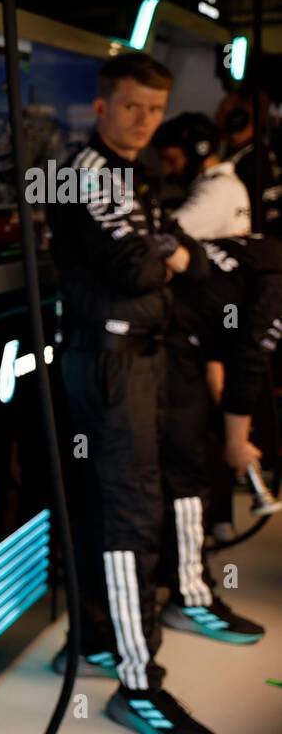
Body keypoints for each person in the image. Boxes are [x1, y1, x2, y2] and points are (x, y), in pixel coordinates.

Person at [47, 52, 217, 734]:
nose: (144, 121)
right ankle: (139, 685)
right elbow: (139, 264)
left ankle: (91, 637)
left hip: (129, 361)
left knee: (108, 501)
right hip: (106, 364)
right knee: (127, 511)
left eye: (155, 109)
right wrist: (169, 256)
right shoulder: (83, 170)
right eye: (131, 107)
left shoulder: (132, 174)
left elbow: (179, 258)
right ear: (101, 107)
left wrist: (172, 256)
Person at [161, 234, 276, 645]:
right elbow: (247, 365)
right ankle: (190, 599)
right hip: (162, 345)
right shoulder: (276, 284)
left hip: (161, 337)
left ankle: (173, 582)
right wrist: (237, 442)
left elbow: (218, 329)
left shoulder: (261, 248)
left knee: (175, 466)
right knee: (186, 473)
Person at [152, 112, 250, 240]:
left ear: (197, 153)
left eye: (171, 160)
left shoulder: (216, 189)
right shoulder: (226, 184)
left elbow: (160, 238)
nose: (166, 170)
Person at [215, 90, 282, 234]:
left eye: (222, 110)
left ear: (237, 119)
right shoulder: (255, 152)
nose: (216, 116)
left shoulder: (250, 161)